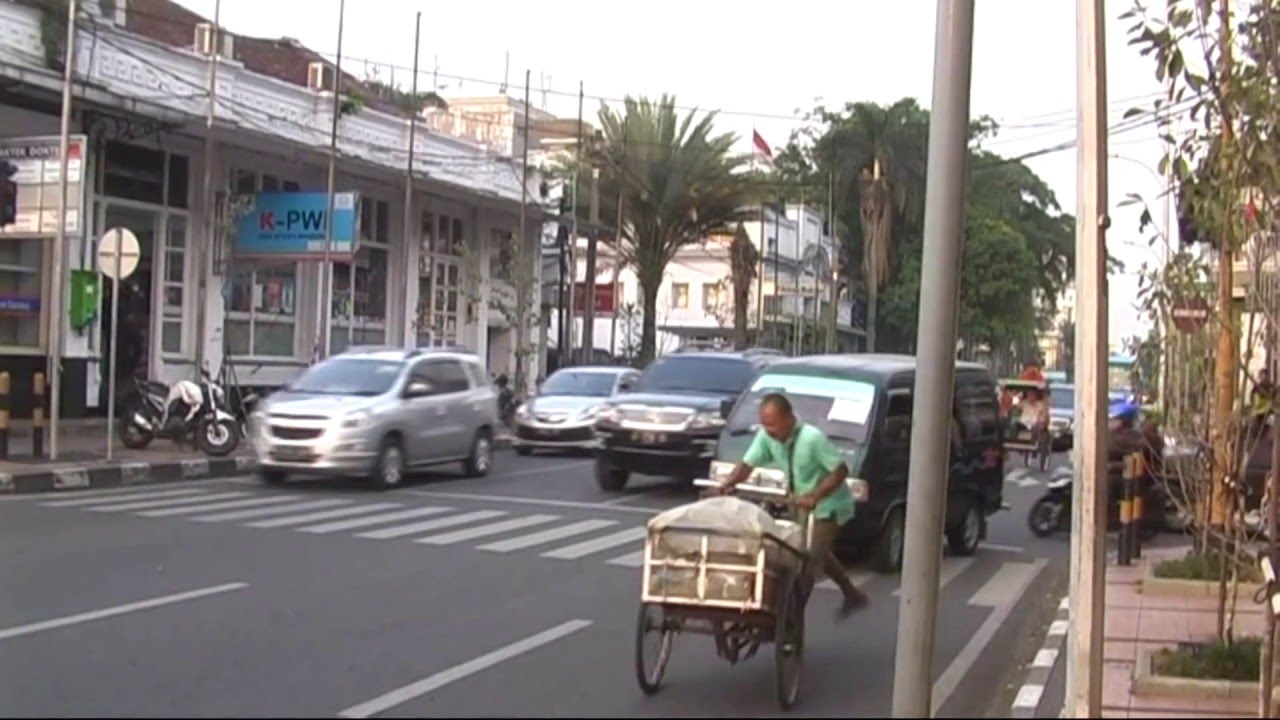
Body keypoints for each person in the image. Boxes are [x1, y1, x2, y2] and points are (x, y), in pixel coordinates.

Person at [717, 393, 869, 619]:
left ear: (788, 419)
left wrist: (815, 496)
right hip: (799, 500)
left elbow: (840, 471)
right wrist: (728, 483)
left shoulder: (812, 439)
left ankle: (789, 619)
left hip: (828, 504)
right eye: (765, 424)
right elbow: (747, 464)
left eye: (773, 424)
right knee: (814, 551)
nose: (768, 429)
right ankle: (852, 594)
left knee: (807, 562)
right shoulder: (767, 437)